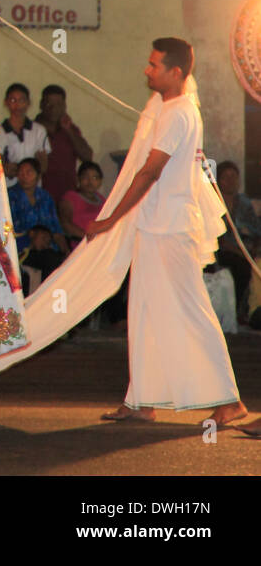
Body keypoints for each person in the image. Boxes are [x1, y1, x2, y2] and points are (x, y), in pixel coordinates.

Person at [86, 38, 247, 426]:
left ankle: (229, 400)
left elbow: (150, 171)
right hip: (155, 226)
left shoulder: (178, 113)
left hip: (173, 229)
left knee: (192, 311)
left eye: (154, 65)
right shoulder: (165, 108)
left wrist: (110, 220)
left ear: (176, 72)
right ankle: (143, 399)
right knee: (143, 312)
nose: (147, 70)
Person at [210, 162, 261, 324]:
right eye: (226, 177)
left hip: (246, 248)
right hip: (221, 251)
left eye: (234, 177)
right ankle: (234, 311)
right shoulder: (213, 202)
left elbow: (255, 229)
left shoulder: (244, 204)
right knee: (241, 267)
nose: (231, 181)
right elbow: (219, 238)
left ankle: (249, 310)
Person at [7, 157, 68, 277]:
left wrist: (65, 250)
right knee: (49, 261)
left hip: (47, 245)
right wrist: (31, 238)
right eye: (21, 173)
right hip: (22, 248)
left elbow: (55, 228)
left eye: (29, 172)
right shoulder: (10, 196)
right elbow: (9, 228)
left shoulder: (45, 197)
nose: (24, 176)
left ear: (38, 175)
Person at [37, 84, 94, 206]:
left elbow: (87, 156)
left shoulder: (71, 129)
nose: (53, 109)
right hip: (39, 197)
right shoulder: (32, 129)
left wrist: (69, 130)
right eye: (49, 104)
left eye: (58, 105)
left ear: (64, 106)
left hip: (67, 197)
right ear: (41, 105)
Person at [0, 82, 49, 188]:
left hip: (33, 190)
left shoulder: (39, 130)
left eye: (22, 100)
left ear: (28, 102)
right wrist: (6, 169)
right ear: (6, 103)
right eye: (13, 100)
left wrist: (24, 172)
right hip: (8, 188)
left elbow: (43, 166)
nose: (17, 105)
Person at [59, 160, 106, 247]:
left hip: (100, 244)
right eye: (85, 177)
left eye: (95, 178)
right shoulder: (70, 198)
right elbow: (65, 224)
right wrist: (86, 236)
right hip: (80, 244)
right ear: (78, 179)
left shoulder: (102, 200)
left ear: (100, 181)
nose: (90, 181)